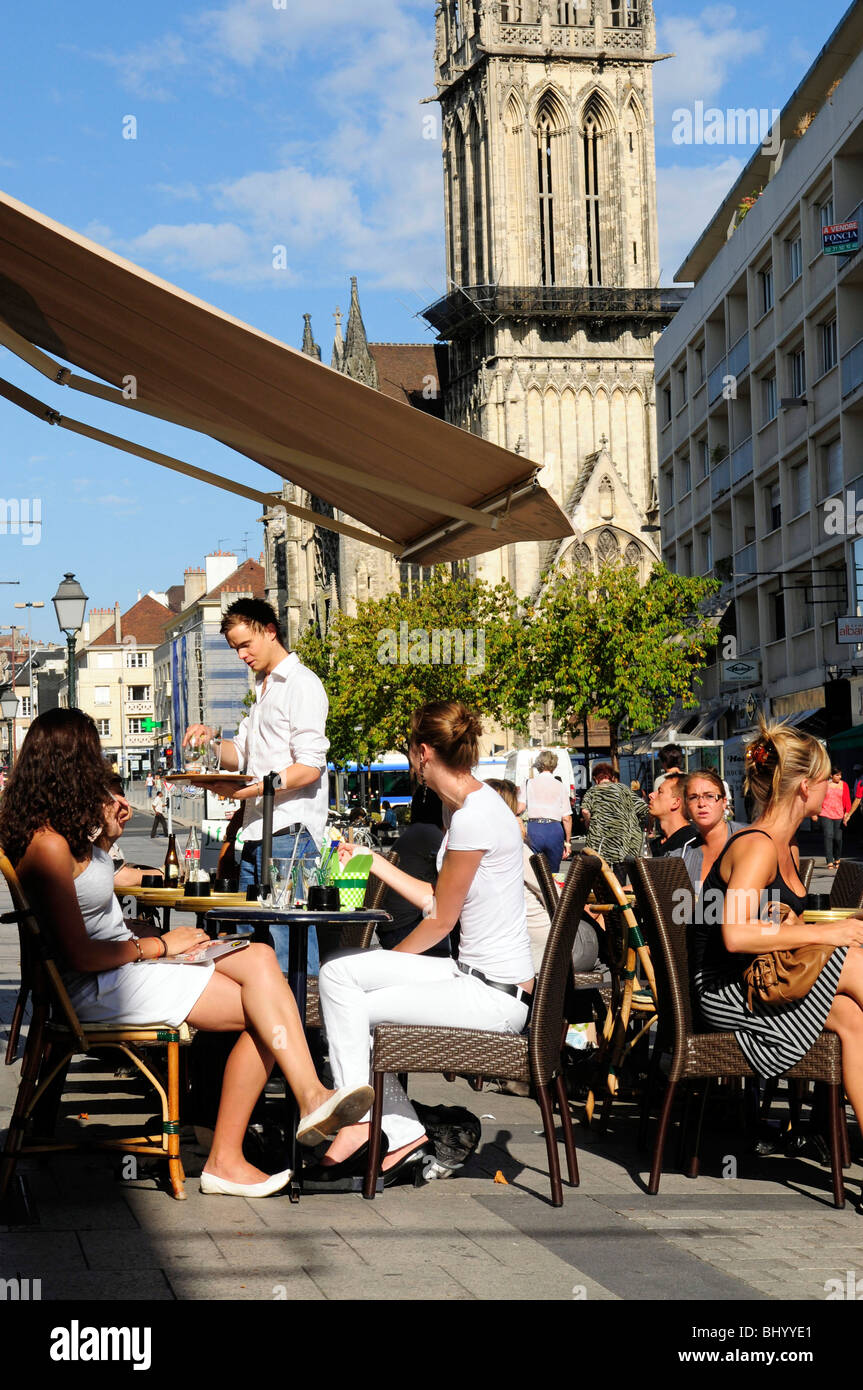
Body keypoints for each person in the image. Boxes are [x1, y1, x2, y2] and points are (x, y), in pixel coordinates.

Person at [0, 709, 374, 1198]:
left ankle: (305, 1100)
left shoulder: (60, 836)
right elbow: (79, 955)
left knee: (261, 962)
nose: (100, 768)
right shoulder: (47, 846)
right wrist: (159, 945)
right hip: (98, 987)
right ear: (70, 766)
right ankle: (233, 1153)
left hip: (123, 969)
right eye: (93, 758)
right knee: (268, 1009)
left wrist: (107, 839)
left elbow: (93, 901)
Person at [310, 701, 535, 1186]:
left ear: (423, 753)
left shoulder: (473, 818)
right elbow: (439, 898)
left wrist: (388, 963)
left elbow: (439, 920)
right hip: (473, 976)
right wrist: (374, 860)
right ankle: (397, 1129)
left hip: (494, 995)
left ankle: (367, 1126)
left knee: (351, 1002)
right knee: (338, 974)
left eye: (410, 749)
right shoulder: (470, 807)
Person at [691, 722, 863, 1151]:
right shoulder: (758, 846)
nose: (830, 787)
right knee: (852, 962)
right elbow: (735, 933)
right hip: (728, 992)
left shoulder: (784, 845)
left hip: (765, 979)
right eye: (825, 780)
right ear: (805, 786)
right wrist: (833, 932)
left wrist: (828, 930)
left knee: (852, 1019)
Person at [183, 598, 329, 974]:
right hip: (255, 833)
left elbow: (310, 766)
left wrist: (260, 788)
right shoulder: (264, 688)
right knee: (251, 946)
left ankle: (303, 1013)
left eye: (245, 645)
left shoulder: (301, 684)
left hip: (289, 834)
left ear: (270, 631)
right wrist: (210, 742)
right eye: (235, 649)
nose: (241, 655)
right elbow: (240, 755)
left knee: (290, 949)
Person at [487, 778, 599, 974]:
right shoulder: (512, 848)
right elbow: (555, 898)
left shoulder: (474, 851)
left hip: (508, 947)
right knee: (599, 922)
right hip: (548, 951)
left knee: (592, 918)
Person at [377, 786, 451, 957]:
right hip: (405, 927)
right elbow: (453, 878)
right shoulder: (430, 833)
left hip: (392, 925)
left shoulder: (416, 831)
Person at [675, 768, 746, 897]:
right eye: (693, 797)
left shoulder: (748, 838)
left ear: (724, 802)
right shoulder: (683, 855)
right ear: (686, 804)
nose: (701, 804)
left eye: (709, 796)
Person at [581, 762, 648, 864]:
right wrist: (639, 825)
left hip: (600, 844)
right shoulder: (624, 789)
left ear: (596, 779)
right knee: (621, 872)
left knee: (602, 872)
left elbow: (585, 811)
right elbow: (643, 808)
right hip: (624, 844)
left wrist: (590, 822)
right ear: (612, 777)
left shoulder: (592, 791)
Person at [521, 750, 572, 873]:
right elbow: (567, 818)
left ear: (538, 765)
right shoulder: (560, 786)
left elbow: (520, 808)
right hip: (554, 830)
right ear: (554, 765)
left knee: (534, 870)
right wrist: (568, 842)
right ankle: (553, 885)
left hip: (534, 829)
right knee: (553, 872)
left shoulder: (528, 783)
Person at [647, 772, 702, 858]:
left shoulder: (692, 844)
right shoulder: (654, 845)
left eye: (660, 792)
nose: (651, 795)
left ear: (676, 802)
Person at [812, 766, 851, 869]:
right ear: (831, 775)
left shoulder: (844, 785)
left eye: (840, 775)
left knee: (838, 838)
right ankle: (829, 860)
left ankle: (837, 858)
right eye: (837, 775)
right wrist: (814, 812)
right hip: (825, 813)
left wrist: (847, 812)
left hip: (839, 814)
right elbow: (818, 798)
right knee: (828, 835)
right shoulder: (824, 784)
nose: (839, 777)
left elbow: (847, 800)